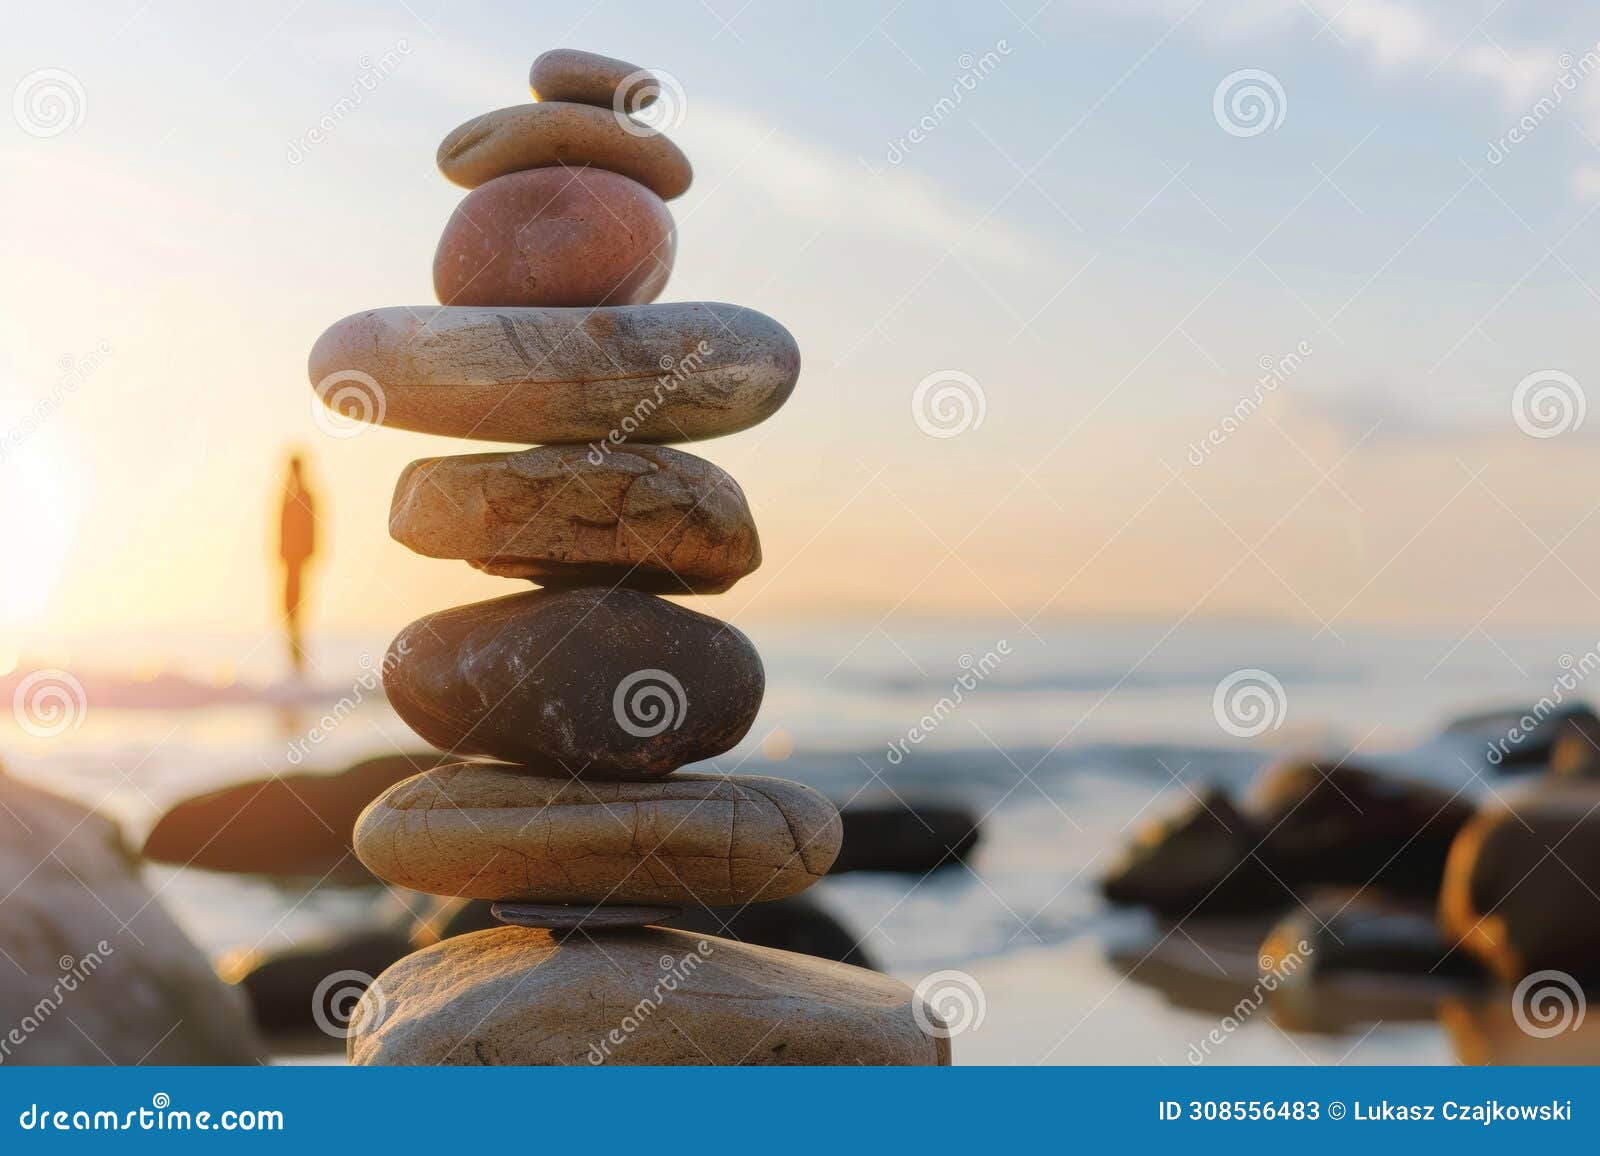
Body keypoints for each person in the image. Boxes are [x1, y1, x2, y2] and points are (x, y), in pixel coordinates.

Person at [278, 454, 317, 676]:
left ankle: (298, 665)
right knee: (289, 613)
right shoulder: (288, 496)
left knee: (295, 612)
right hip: (290, 563)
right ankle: (294, 665)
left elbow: (312, 531)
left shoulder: (303, 497)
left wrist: (305, 554)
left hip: (298, 562)